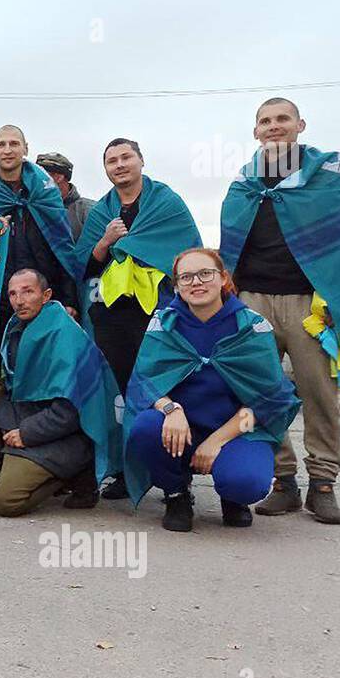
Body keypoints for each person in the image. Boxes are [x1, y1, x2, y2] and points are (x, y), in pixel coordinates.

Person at [218, 98, 340, 525]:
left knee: (318, 394)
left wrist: (338, 297)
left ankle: (323, 484)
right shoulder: (244, 185)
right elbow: (231, 245)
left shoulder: (325, 177)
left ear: (300, 125)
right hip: (253, 301)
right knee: (261, 394)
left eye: (282, 119)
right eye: (265, 121)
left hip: (309, 303)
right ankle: (283, 480)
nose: (273, 127)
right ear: (256, 131)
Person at [124, 248, 301, 532]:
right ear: (177, 285)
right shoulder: (164, 323)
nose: (196, 282)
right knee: (145, 427)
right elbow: (144, 382)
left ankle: (233, 499)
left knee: (247, 482)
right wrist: (171, 408)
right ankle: (176, 494)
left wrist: (217, 441)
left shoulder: (252, 327)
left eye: (205, 274)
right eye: (186, 277)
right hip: (182, 429)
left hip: (237, 432)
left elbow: (268, 402)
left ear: (223, 278)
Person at [0, 125, 80, 494]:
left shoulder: (43, 191)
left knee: (40, 380)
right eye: (1, 144)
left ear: (26, 148)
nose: (8, 150)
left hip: (40, 302)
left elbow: (63, 247)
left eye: (14, 144)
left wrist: (69, 300)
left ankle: (45, 459)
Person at [73, 138, 202, 498]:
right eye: (111, 160)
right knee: (118, 391)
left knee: (160, 386)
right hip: (111, 315)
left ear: (141, 160)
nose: (119, 164)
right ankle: (124, 471)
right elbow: (85, 263)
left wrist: (131, 247)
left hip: (158, 312)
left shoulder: (167, 203)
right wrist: (106, 241)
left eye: (126, 157)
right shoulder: (102, 211)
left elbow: (188, 253)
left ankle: (175, 476)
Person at [0, 269, 121, 517]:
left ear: (46, 296)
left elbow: (71, 411)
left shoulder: (65, 336)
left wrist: (26, 433)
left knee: (4, 501)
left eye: (27, 291)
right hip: (32, 410)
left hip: (69, 431)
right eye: (13, 293)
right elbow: (31, 379)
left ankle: (72, 474)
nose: (19, 300)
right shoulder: (20, 326)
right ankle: (12, 466)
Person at [35, 152, 94, 238]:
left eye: (41, 174)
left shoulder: (88, 210)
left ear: (59, 177)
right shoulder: (30, 208)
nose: (35, 179)